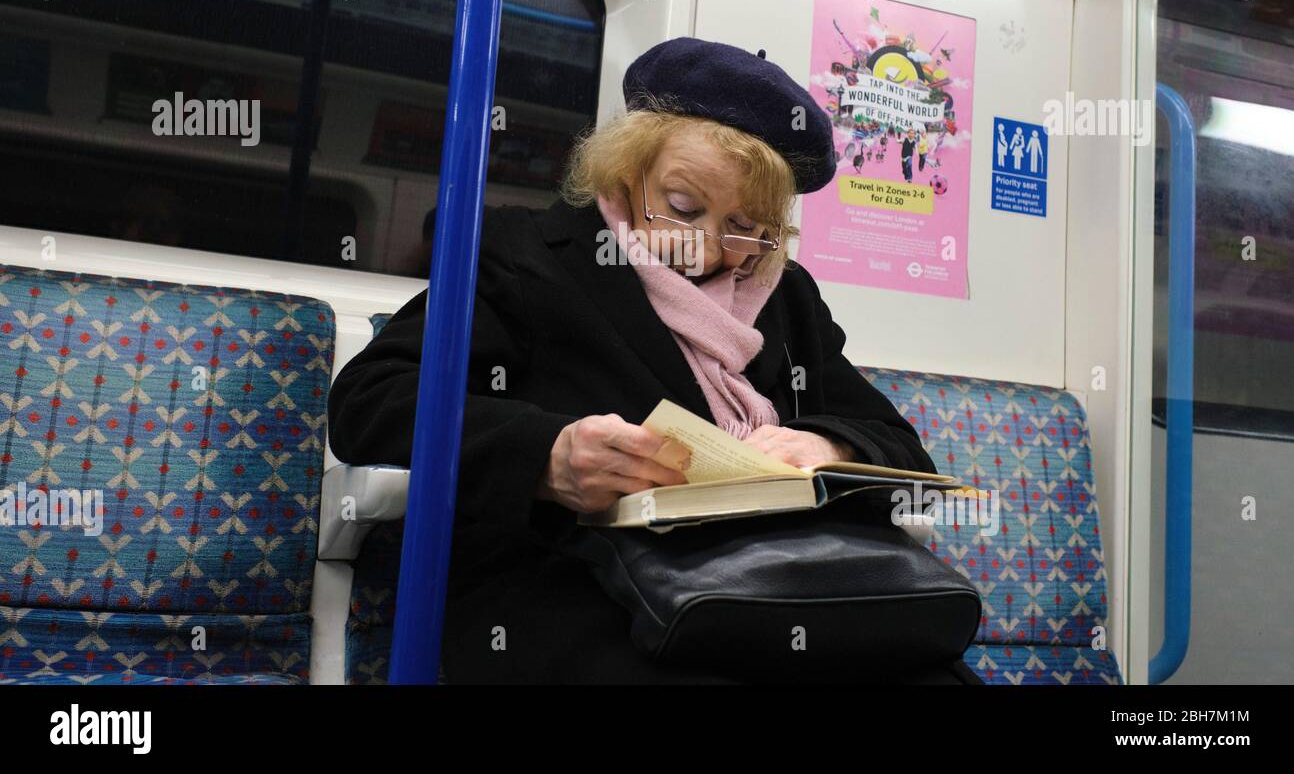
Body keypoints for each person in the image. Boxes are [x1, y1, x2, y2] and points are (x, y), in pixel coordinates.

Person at [328, 37, 982, 685]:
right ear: (627, 170)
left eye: (746, 225)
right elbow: (371, 401)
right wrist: (548, 455)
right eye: (684, 207)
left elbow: (902, 452)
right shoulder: (525, 258)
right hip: (576, 588)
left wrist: (827, 448)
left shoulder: (787, 297)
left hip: (782, 585)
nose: (706, 248)